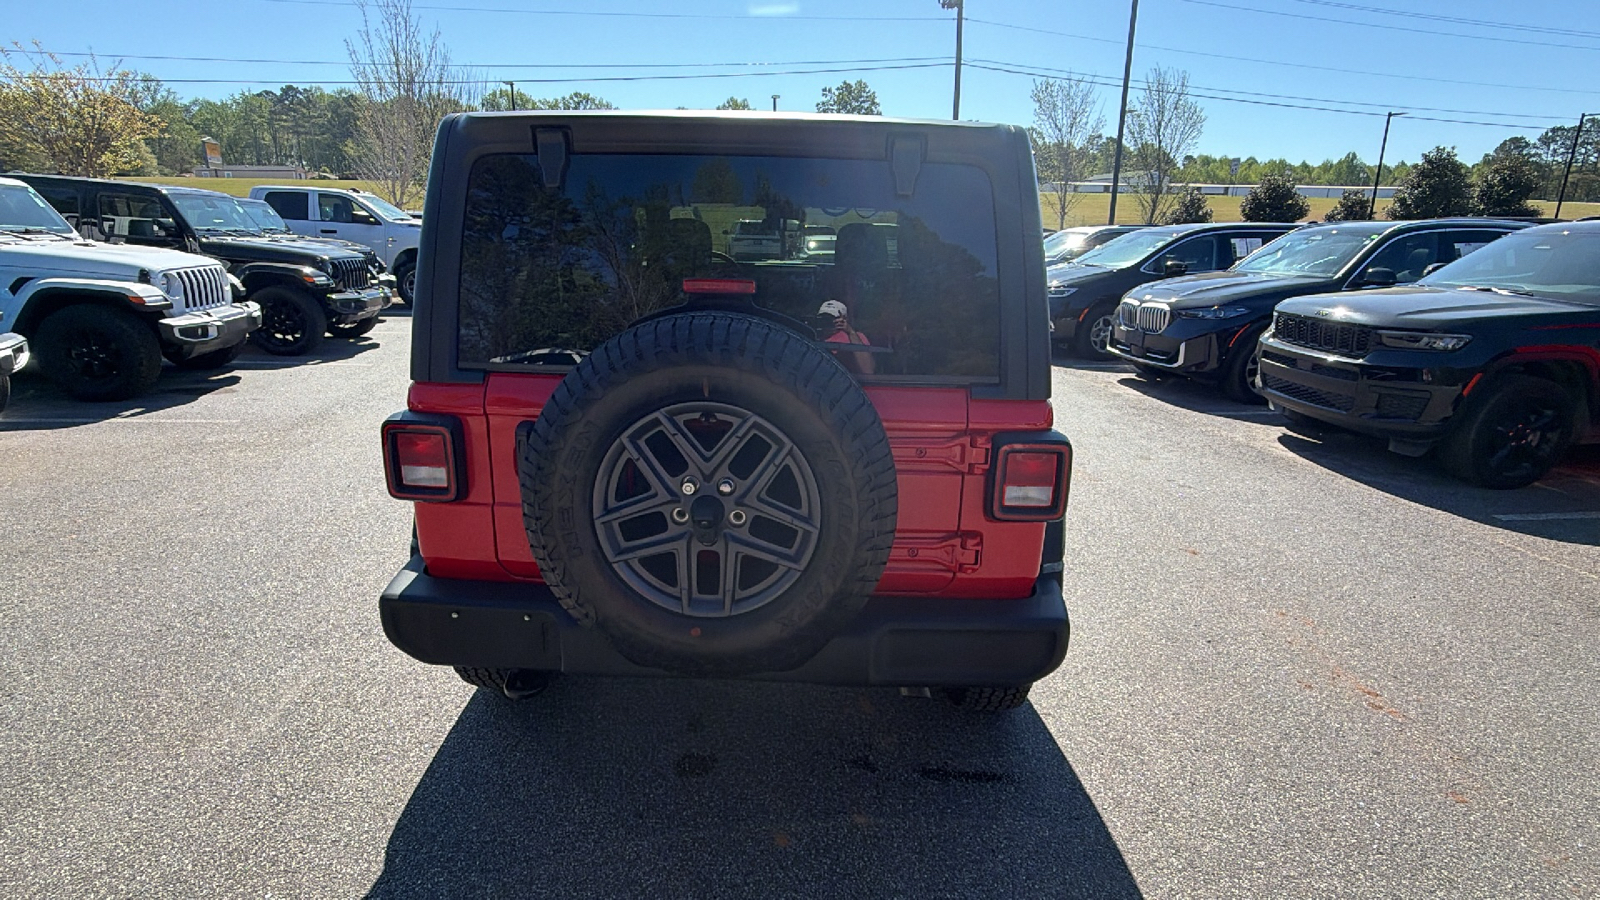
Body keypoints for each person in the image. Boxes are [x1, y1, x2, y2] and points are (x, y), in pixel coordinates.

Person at [817, 299, 874, 375]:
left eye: (832, 317)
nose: (827, 321)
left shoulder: (856, 337)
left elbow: (868, 371)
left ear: (844, 319)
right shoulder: (813, 337)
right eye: (823, 317)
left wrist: (851, 332)